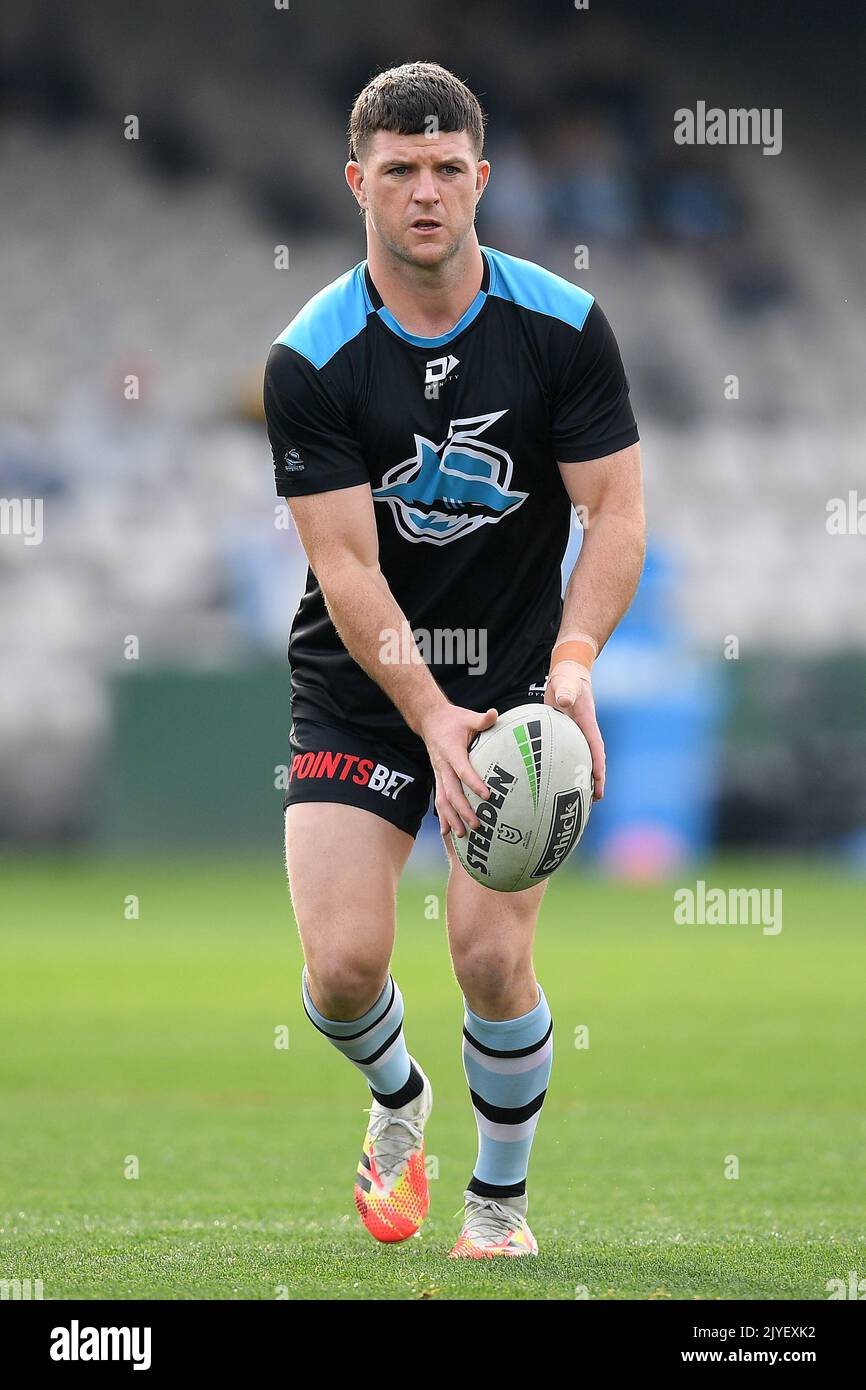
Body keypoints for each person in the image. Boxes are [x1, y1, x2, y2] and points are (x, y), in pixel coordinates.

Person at [263, 61, 645, 1258]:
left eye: (444, 170)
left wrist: (574, 664)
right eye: (397, 171)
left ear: (479, 178)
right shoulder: (311, 356)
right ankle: (396, 1097)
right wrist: (425, 709)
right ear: (357, 184)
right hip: (364, 682)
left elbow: (616, 515)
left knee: (488, 953)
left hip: (523, 684)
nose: (423, 192)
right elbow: (347, 565)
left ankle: (496, 1203)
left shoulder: (564, 328)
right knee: (337, 971)